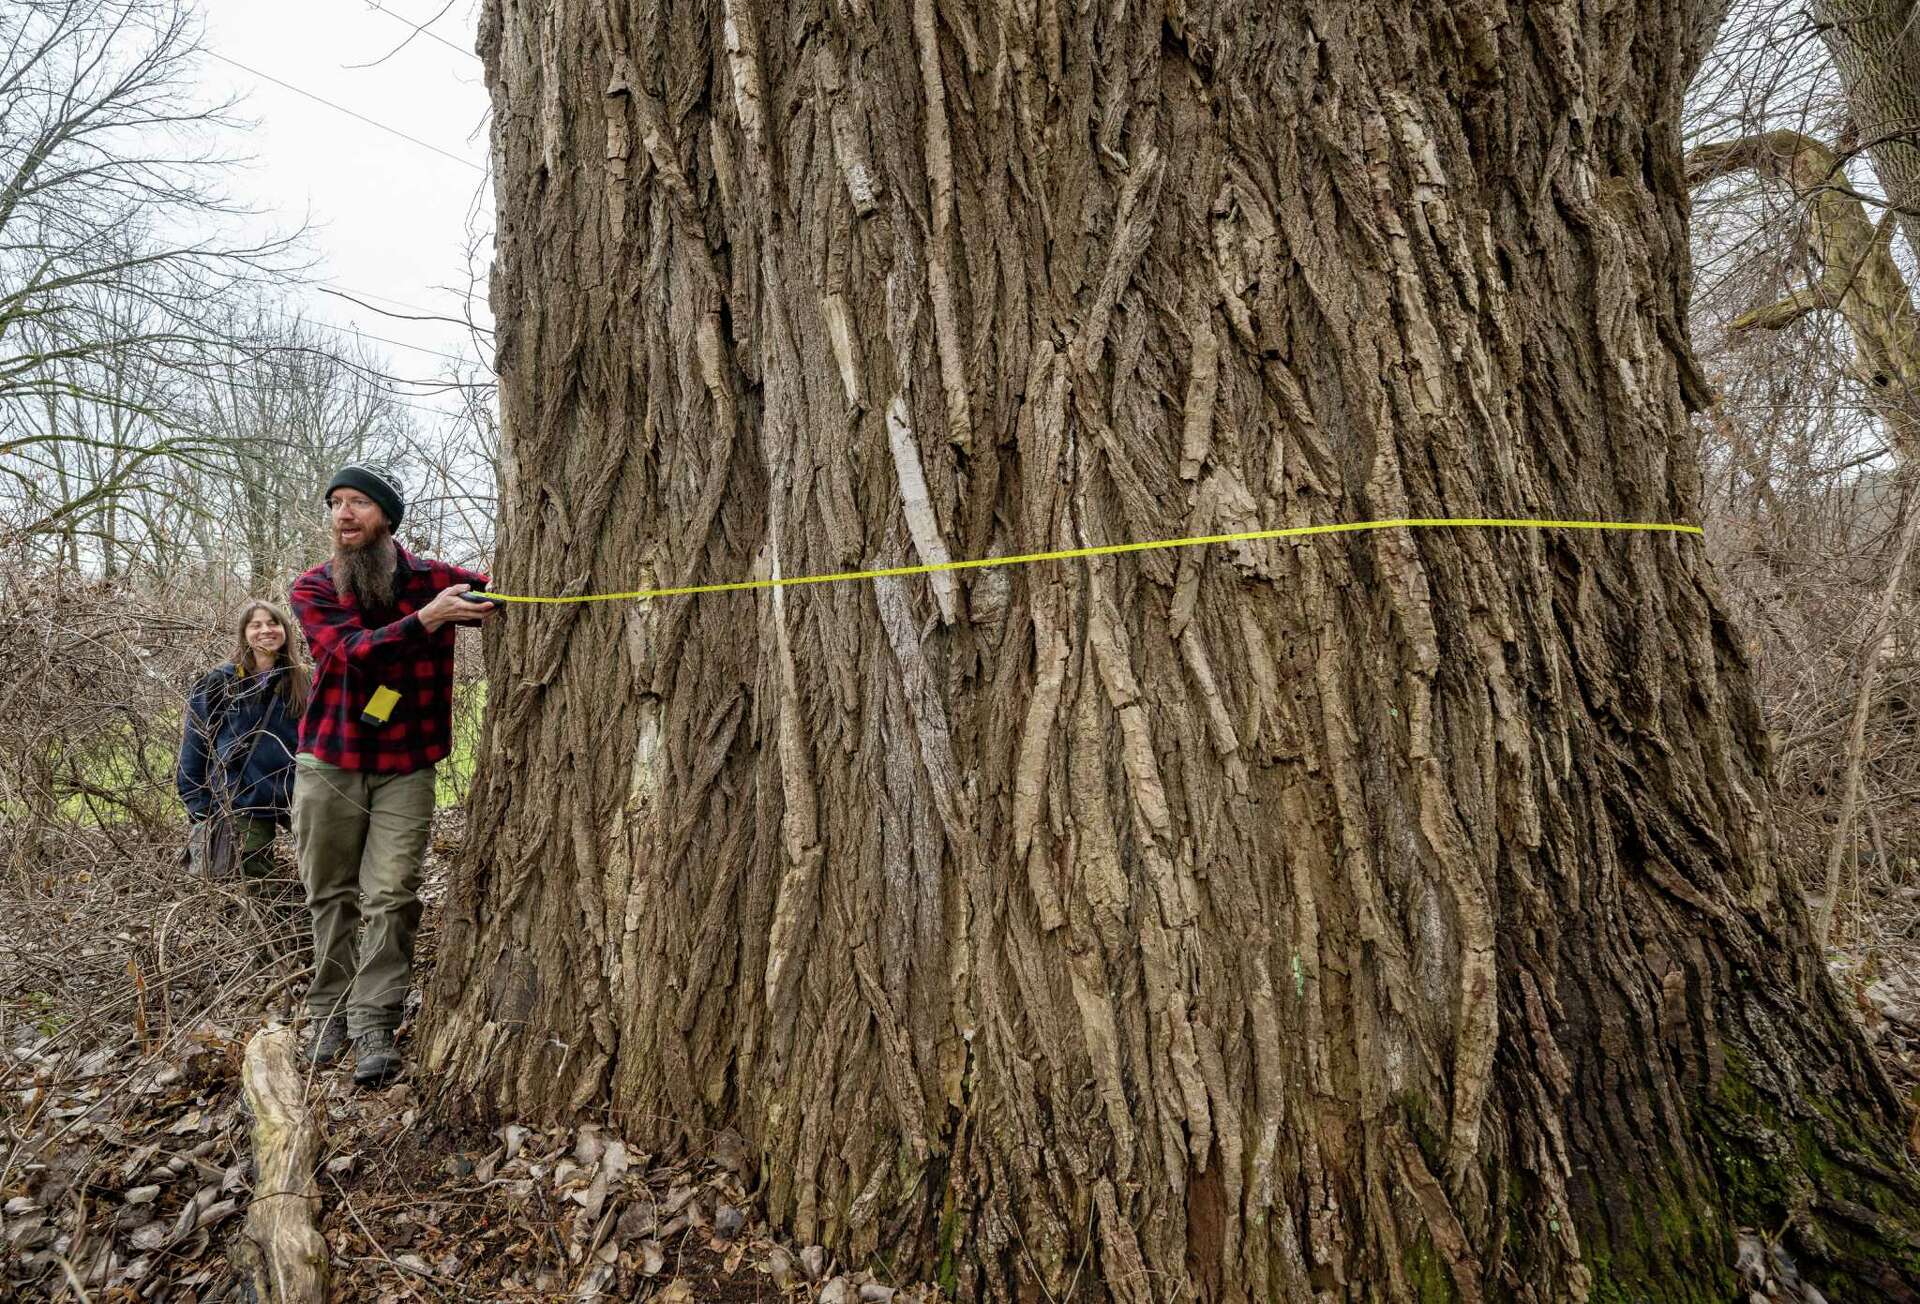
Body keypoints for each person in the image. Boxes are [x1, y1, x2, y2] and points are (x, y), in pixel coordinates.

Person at [288, 464, 497, 1087]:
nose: (343, 515)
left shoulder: (437, 581)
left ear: (387, 517)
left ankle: (374, 1016)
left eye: (358, 504)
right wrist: (430, 620)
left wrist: (487, 601)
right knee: (330, 891)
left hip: (407, 764)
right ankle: (327, 1008)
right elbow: (351, 652)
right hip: (330, 761)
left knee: (393, 894)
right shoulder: (314, 587)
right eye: (336, 504)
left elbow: (507, 590)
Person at [176, 601, 306, 904]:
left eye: (273, 623)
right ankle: (272, 942)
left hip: (297, 796)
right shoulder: (219, 682)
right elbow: (194, 747)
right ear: (244, 633)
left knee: (325, 870)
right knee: (258, 888)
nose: (266, 630)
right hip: (241, 799)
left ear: (285, 630)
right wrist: (198, 805)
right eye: (256, 625)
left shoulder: (303, 680)